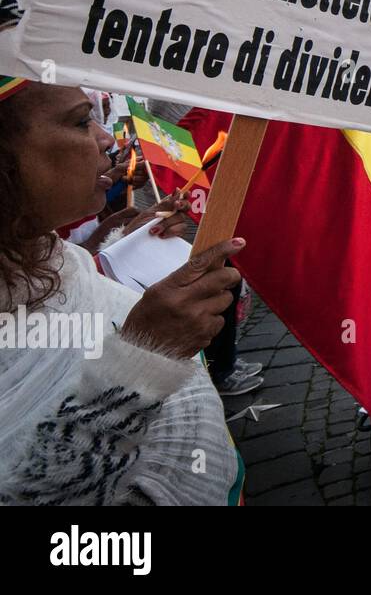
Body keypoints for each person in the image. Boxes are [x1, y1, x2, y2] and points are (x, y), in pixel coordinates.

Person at [0, 79, 242, 504]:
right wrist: (141, 359)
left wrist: (122, 246)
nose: (106, 137)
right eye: (79, 121)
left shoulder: (47, 255)